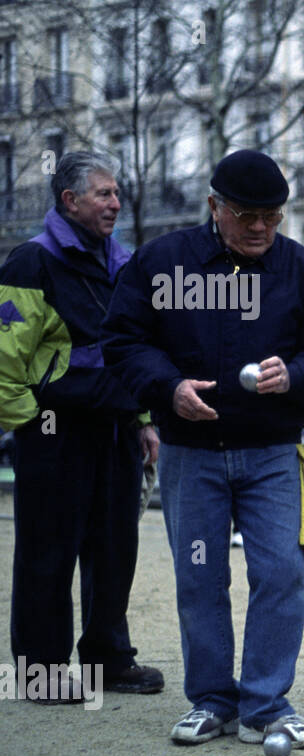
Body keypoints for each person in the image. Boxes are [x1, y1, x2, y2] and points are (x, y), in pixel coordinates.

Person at [103, 150, 304, 746]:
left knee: (280, 573)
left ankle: (267, 703)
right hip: (190, 452)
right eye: (246, 215)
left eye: (272, 215)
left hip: (272, 452)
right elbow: (122, 339)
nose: (260, 227)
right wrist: (168, 387)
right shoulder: (163, 264)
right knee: (199, 578)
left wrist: (294, 374)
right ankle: (212, 699)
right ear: (214, 207)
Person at [0, 151, 163, 704]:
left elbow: (134, 350)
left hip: (115, 431)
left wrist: (143, 419)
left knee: (115, 549)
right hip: (55, 432)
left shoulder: (123, 263)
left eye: (117, 193)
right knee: (49, 552)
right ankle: (39, 673)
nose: (116, 203)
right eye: (104, 194)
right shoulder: (30, 263)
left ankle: (108, 660)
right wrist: (31, 426)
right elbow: (4, 361)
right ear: (69, 201)